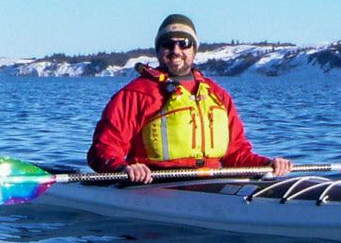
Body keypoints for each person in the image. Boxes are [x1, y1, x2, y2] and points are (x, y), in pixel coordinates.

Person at [88, 14, 293, 183]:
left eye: (184, 44)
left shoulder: (218, 95)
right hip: (154, 186)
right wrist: (123, 168)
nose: (176, 51)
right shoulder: (135, 94)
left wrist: (268, 165)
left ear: (194, 50)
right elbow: (104, 149)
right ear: (158, 50)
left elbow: (236, 154)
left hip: (212, 182)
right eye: (168, 44)